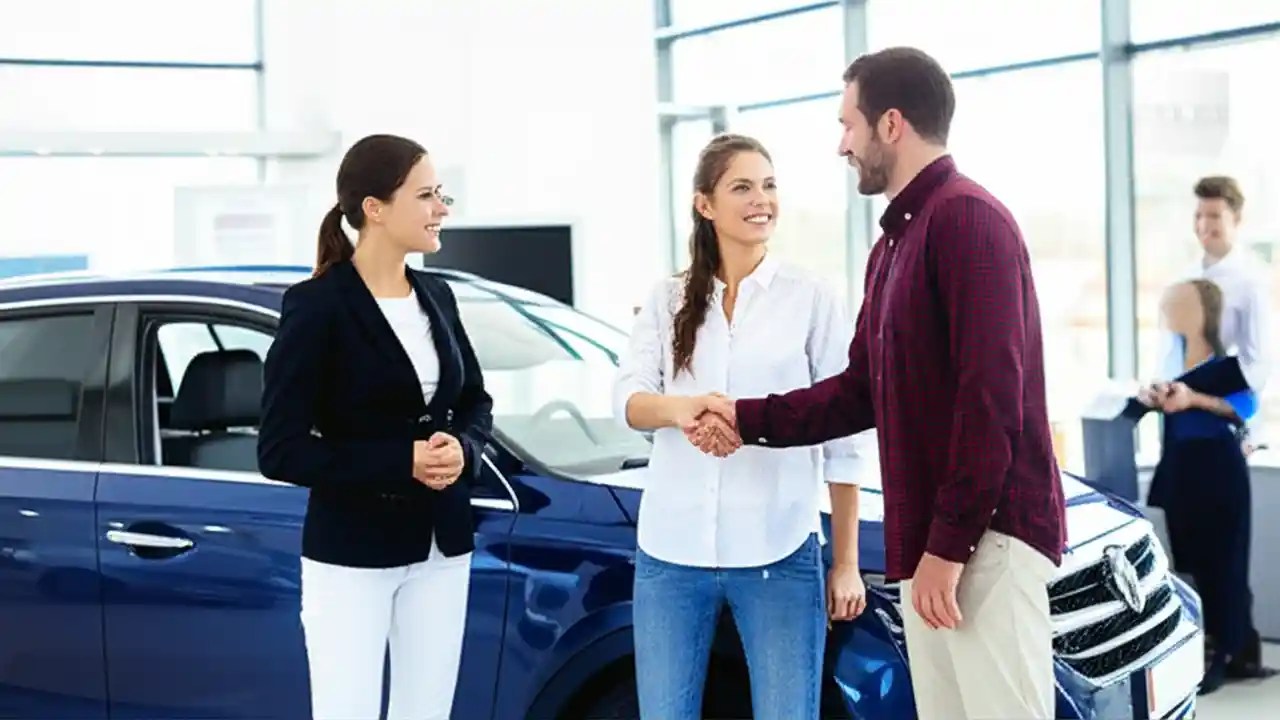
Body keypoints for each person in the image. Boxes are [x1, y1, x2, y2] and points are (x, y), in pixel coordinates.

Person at [689, 48, 1066, 720]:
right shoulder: (894, 245)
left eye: (848, 125)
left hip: (984, 542)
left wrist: (947, 550)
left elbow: (991, 405)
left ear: (890, 125)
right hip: (934, 546)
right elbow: (859, 390)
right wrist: (741, 416)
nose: (842, 145)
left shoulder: (970, 221)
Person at [612, 132, 871, 720]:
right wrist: (685, 410)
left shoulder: (810, 297)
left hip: (779, 553)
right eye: (743, 187)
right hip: (670, 554)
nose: (763, 200)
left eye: (770, 185)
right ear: (705, 205)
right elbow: (628, 397)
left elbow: (844, 431)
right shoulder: (667, 299)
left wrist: (847, 562)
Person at [257, 133, 493, 720]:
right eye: (427, 195)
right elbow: (280, 451)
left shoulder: (437, 295)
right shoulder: (317, 306)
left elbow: (476, 403)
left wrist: (463, 449)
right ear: (375, 208)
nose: (442, 208)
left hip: (442, 546)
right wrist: (400, 461)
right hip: (351, 555)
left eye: (442, 194)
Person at [1140, 279, 1275, 693]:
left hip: (1218, 471)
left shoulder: (1232, 366)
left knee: (1222, 564)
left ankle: (1226, 652)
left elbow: (1246, 409)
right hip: (1179, 469)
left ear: (1203, 312)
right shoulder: (1172, 364)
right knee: (1185, 563)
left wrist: (1194, 399)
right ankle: (1194, 647)